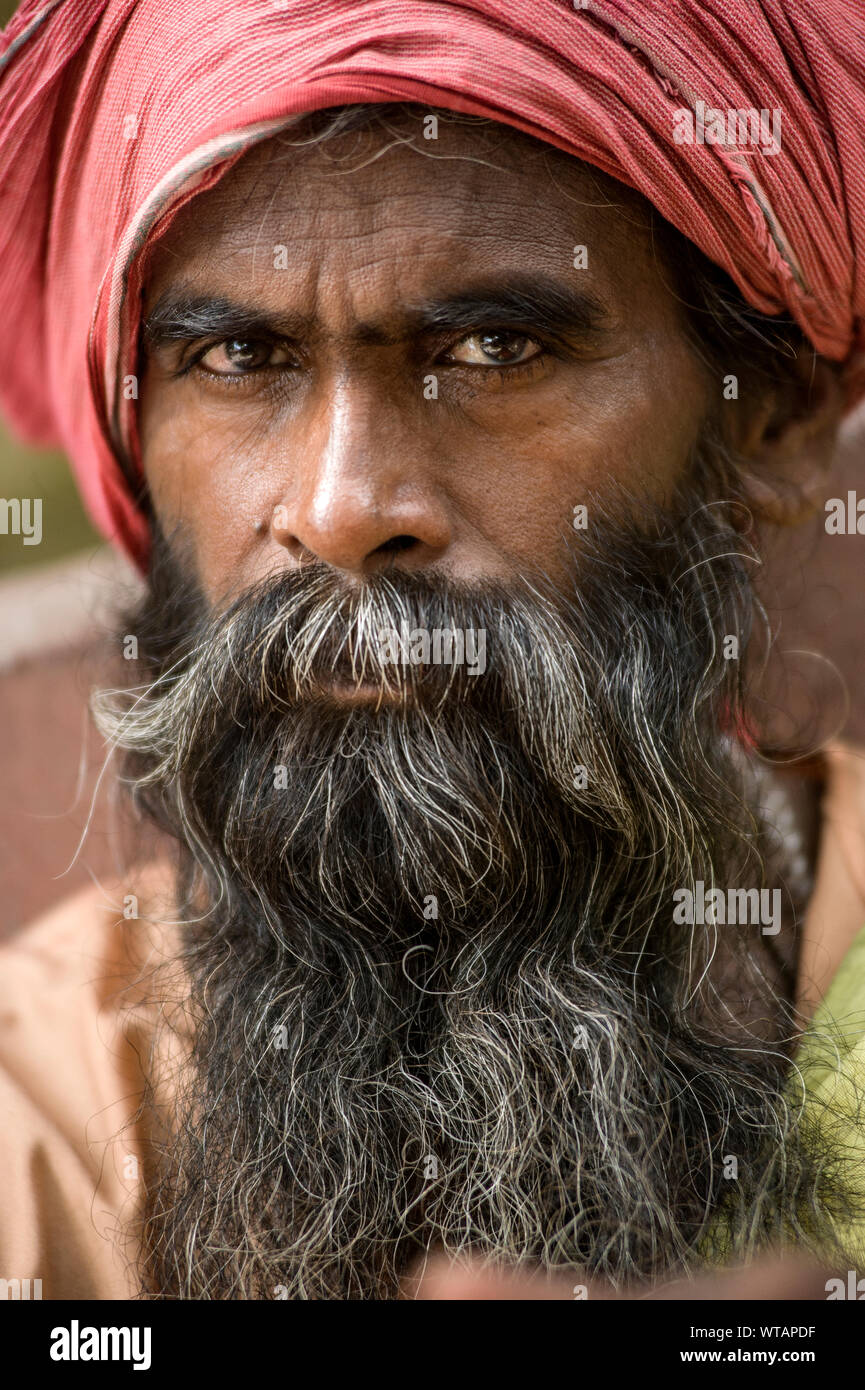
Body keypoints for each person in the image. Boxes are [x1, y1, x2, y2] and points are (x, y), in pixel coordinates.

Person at [0, 0, 863, 1302]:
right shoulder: (44, 1103)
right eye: (238, 356)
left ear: (774, 424)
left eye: (493, 347)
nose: (342, 508)